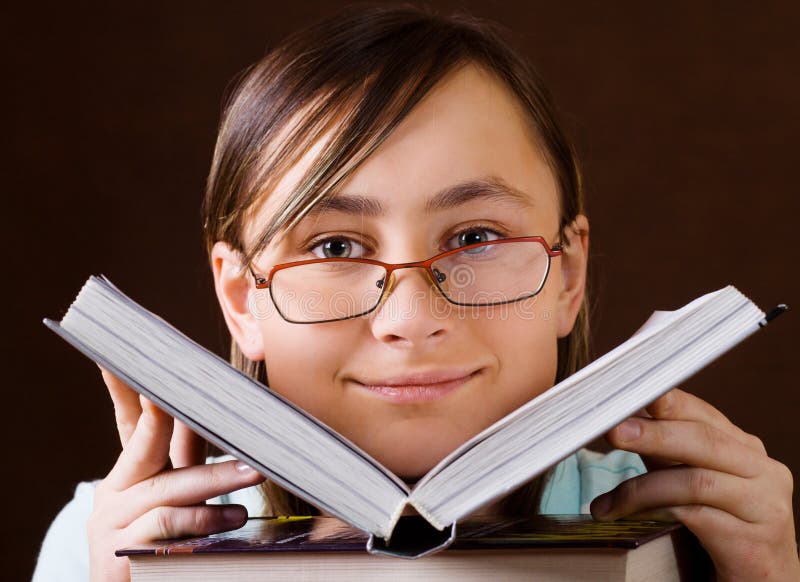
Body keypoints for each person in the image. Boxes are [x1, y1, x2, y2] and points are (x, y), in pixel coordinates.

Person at [34, 4, 799, 581]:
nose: (410, 320)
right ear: (243, 298)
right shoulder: (108, 544)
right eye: (334, 246)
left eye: (474, 238)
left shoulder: (686, 534)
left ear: (568, 274)